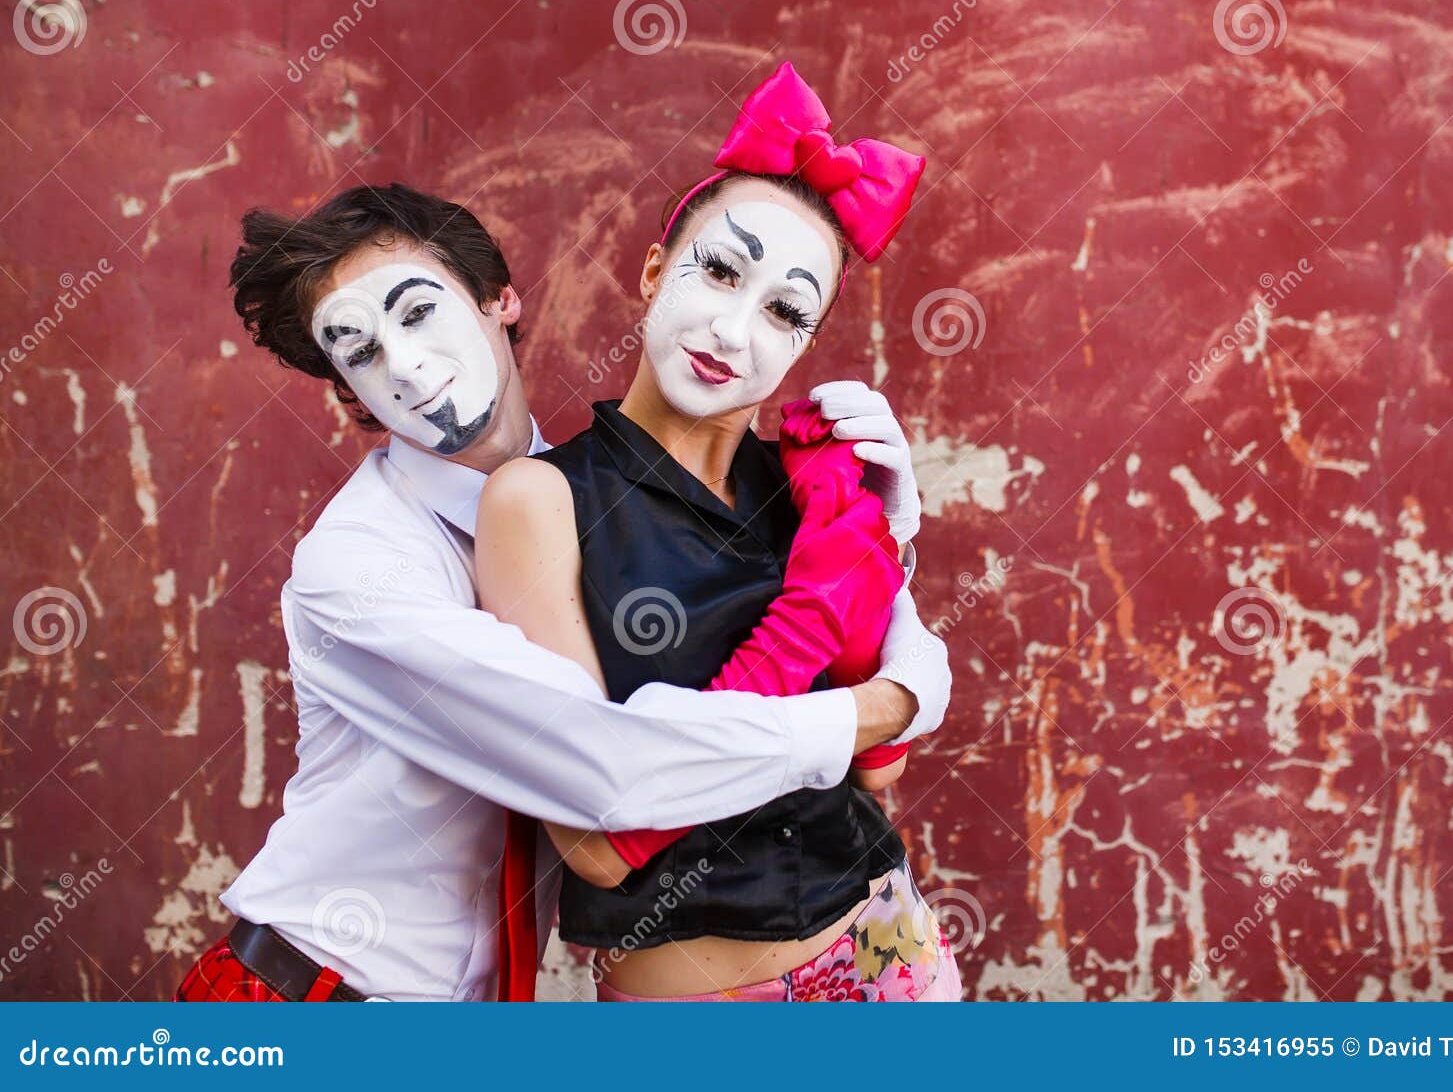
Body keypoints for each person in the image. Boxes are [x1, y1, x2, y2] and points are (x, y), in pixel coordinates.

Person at [171, 181, 951, 1002]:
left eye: (416, 313)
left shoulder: (579, 495)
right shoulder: (357, 565)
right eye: (357, 350)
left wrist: (881, 547)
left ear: (499, 300)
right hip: (310, 999)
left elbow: (823, 684)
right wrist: (894, 703)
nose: (404, 366)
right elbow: (604, 779)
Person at [479, 62, 962, 1002]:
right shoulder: (539, 498)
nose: (735, 331)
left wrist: (886, 543)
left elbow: (877, 780)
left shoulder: (810, 486)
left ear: (803, 345)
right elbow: (596, 841)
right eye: (721, 271)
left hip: (888, 949)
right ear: (656, 270)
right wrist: (884, 702)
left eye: (784, 311)